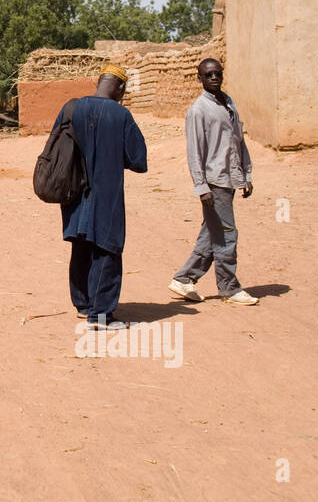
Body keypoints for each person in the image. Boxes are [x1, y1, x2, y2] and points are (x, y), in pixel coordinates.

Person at [59, 64, 148, 329]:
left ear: (99, 82)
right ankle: (100, 316)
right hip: (106, 193)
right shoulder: (121, 115)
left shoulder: (71, 108)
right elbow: (138, 160)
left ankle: (83, 305)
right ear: (120, 87)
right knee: (107, 248)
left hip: (74, 192)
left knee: (81, 244)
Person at [168, 58, 258, 305]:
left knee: (212, 233)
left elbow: (239, 140)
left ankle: (184, 279)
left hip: (230, 177)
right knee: (227, 234)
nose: (214, 78)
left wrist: (246, 174)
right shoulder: (198, 110)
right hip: (214, 182)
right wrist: (201, 186)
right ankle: (229, 287)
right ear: (200, 78)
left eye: (217, 73)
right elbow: (195, 152)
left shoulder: (228, 103)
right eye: (208, 75)